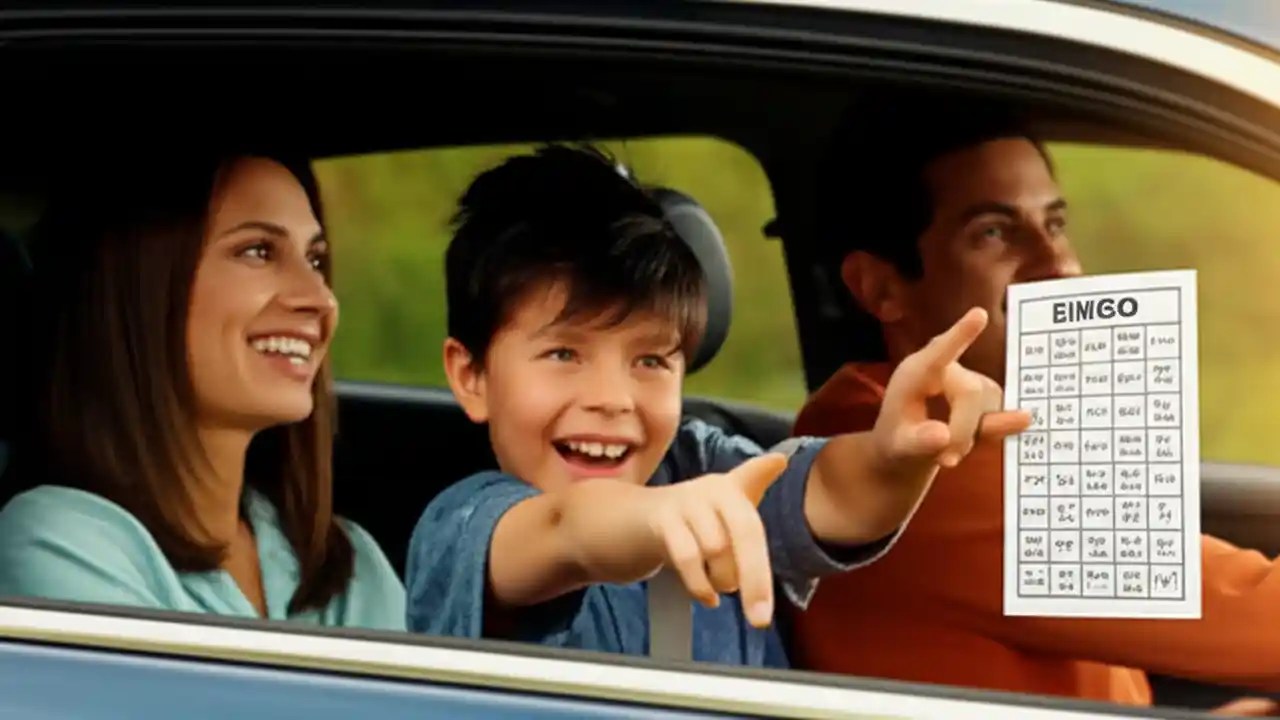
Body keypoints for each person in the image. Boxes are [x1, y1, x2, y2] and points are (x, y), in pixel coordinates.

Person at [404, 144, 1030, 667]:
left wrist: (893, 456)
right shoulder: (463, 527)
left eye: (650, 361)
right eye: (564, 354)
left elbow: (832, 492)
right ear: (472, 377)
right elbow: (567, 533)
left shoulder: (702, 466)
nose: (612, 400)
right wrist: (657, 518)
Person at [789, 95, 1280, 709]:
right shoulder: (923, 465)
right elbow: (1268, 622)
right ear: (882, 288)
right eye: (994, 232)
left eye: (1054, 225)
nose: (1059, 267)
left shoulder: (952, 432)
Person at [0, 148, 405, 630]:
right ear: (142, 289)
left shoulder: (347, 562)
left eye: (316, 259)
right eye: (258, 251)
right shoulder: (58, 541)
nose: (319, 298)